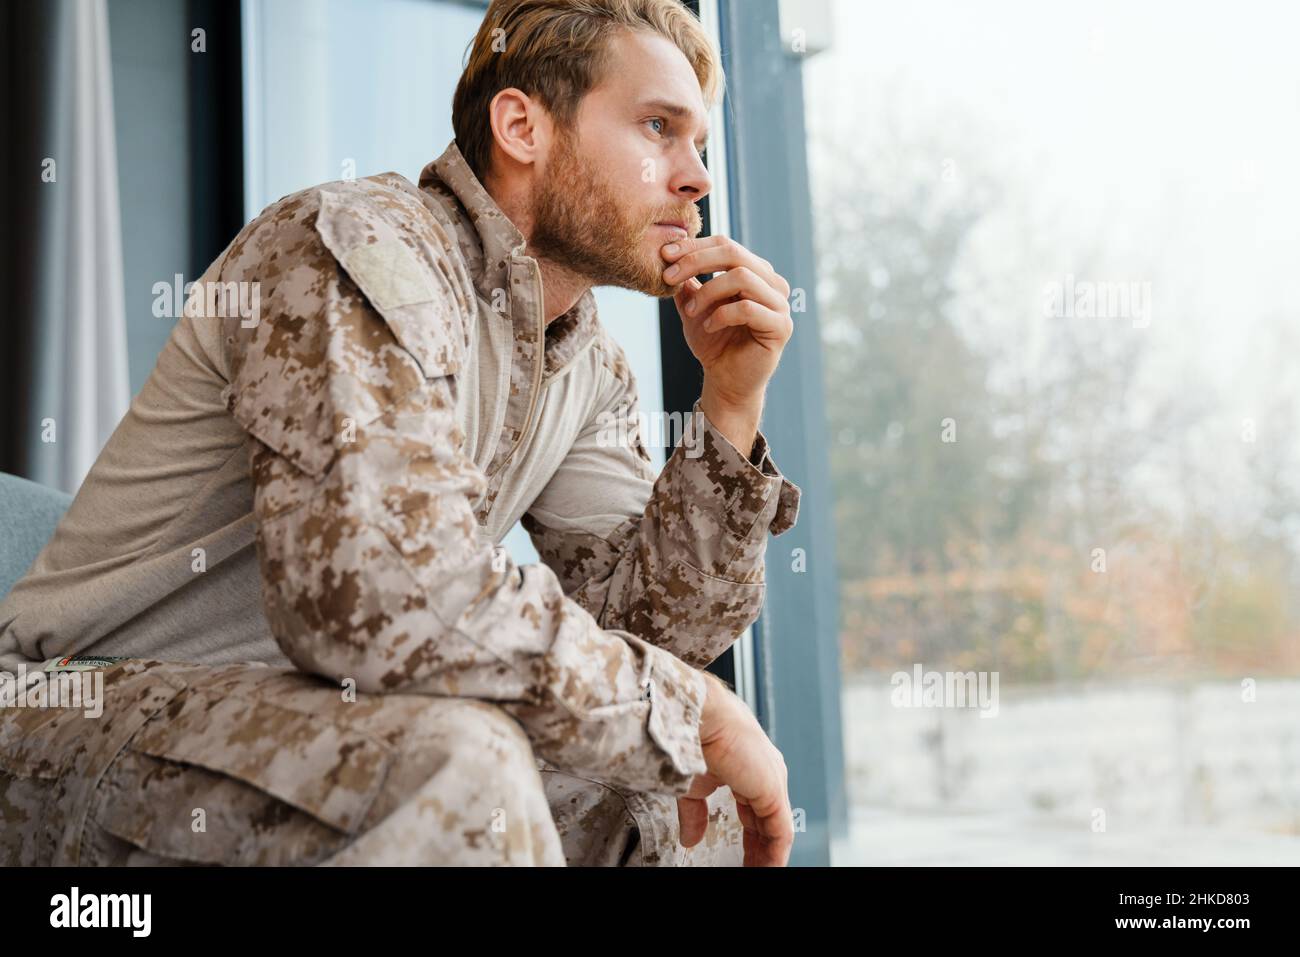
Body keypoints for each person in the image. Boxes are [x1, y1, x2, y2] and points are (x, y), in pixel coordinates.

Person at [0, 0, 801, 866]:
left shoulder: (585, 364)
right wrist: (687, 709)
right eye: (658, 128)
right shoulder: (356, 247)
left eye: (699, 145)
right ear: (522, 127)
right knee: (462, 768)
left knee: (681, 796)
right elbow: (377, 598)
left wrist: (728, 402)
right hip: (66, 722)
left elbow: (649, 638)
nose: (697, 178)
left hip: (311, 717)